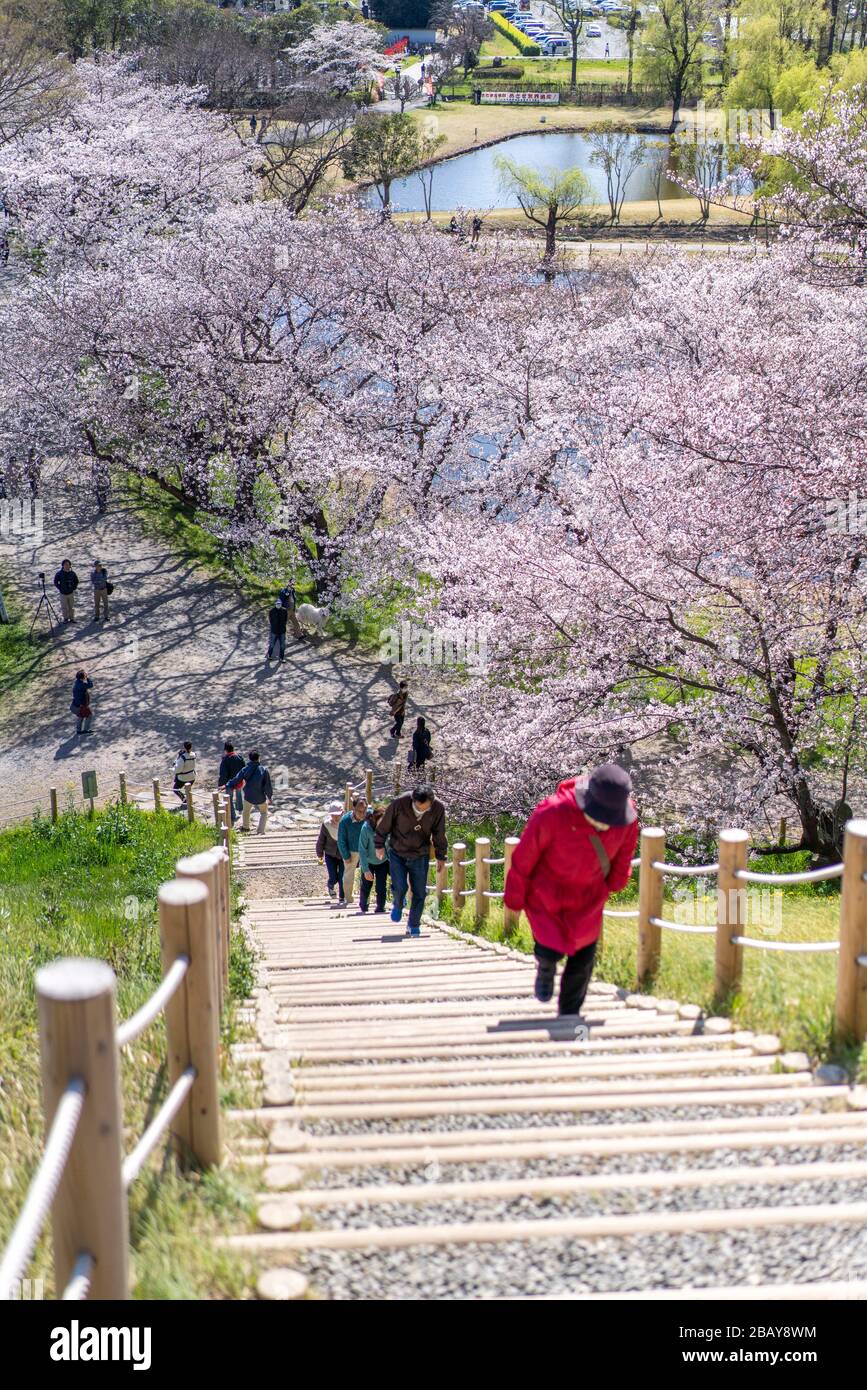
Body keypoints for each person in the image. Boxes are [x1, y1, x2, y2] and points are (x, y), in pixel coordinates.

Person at [504, 764, 640, 1017]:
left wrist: (615, 883)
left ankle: (569, 1014)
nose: (603, 824)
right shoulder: (552, 812)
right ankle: (545, 968)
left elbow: (624, 856)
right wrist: (515, 896)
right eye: (598, 817)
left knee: (584, 956)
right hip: (547, 893)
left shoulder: (627, 819)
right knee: (549, 944)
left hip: (589, 895)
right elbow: (524, 857)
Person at [375, 783, 446, 937]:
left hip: (420, 853)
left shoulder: (438, 808)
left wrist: (441, 856)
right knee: (400, 887)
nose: (421, 810)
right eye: (418, 807)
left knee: (420, 891)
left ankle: (413, 924)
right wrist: (379, 845)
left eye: (424, 808)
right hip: (397, 852)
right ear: (413, 800)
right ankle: (398, 904)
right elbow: (385, 824)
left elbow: (439, 833)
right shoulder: (400, 803)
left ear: (431, 803)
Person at [226, 750, 273, 834]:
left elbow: (237, 779)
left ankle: (246, 827)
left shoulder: (245, 769)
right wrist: (269, 796)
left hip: (248, 796)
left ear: (250, 759)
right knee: (264, 813)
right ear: (259, 758)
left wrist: (227, 784)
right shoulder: (264, 770)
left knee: (246, 812)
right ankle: (260, 830)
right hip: (260, 796)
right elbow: (267, 785)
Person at [358, 803, 390, 913]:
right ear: (376, 819)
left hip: (383, 861)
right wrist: (365, 869)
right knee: (366, 885)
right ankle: (364, 904)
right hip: (369, 861)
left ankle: (380, 907)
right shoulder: (366, 829)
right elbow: (361, 849)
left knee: (381, 886)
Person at [337, 795, 367, 903]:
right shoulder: (345, 821)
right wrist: (345, 855)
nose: (363, 813)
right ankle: (348, 898)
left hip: (366, 849)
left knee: (368, 873)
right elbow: (341, 840)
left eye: (365, 811)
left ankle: (365, 898)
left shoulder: (369, 816)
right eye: (360, 811)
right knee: (349, 874)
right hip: (352, 850)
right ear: (353, 809)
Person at [316, 800, 346, 903]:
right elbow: (321, 840)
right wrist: (320, 854)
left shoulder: (346, 824)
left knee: (342, 877)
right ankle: (331, 885)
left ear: (342, 813)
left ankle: (342, 897)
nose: (336, 817)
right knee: (333, 876)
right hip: (330, 854)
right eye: (333, 815)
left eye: (338, 815)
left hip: (344, 855)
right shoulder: (326, 825)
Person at [218, 741, 245, 823]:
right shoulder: (239, 757)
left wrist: (221, 784)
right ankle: (240, 809)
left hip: (229, 783)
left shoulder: (225, 760)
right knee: (239, 794)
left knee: (229, 799)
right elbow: (244, 768)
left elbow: (223, 774)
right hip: (239, 781)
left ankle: (233, 816)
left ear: (225, 750)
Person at [172, 740, 197, 805]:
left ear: (184, 747)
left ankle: (184, 800)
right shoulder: (194, 755)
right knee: (187, 789)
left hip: (183, 778)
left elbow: (178, 770)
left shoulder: (183, 757)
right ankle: (189, 799)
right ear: (191, 747)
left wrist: (177, 759)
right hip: (192, 777)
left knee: (175, 789)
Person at [70, 668, 93, 735]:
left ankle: (79, 731)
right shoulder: (81, 685)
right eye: (85, 675)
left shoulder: (77, 682)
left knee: (81, 716)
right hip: (82, 705)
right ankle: (85, 730)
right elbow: (90, 685)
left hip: (76, 704)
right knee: (89, 716)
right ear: (82, 677)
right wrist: (88, 678)